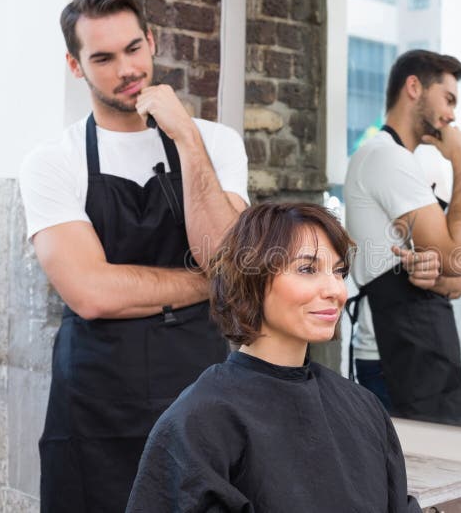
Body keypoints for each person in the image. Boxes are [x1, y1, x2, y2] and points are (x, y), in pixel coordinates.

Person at [18, 0, 249, 511]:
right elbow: (92, 293)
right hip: (94, 411)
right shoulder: (54, 160)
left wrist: (186, 137)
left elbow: (223, 255)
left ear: (152, 40)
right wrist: (206, 283)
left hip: (198, 395)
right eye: (102, 57)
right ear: (76, 67)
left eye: (133, 49)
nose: (126, 68)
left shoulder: (215, 142)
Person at [126, 203, 421, 512]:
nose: (335, 289)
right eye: (307, 269)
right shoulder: (201, 420)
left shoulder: (363, 407)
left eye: (338, 271)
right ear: (252, 278)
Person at [343, 50, 461, 420]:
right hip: (393, 360)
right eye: (448, 99)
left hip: (421, 352)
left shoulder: (407, 164)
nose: (451, 116)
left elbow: (456, 281)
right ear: (414, 87)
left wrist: (438, 276)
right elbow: (456, 258)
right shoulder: (385, 157)